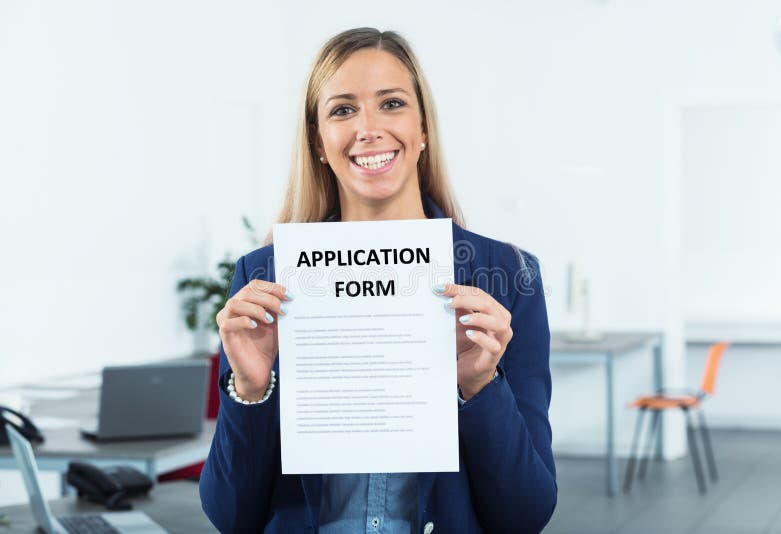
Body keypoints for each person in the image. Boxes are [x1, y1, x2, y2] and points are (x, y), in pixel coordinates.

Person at [199, 27, 557, 534]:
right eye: (343, 109)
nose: (368, 128)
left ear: (423, 127)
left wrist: (480, 386)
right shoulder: (264, 277)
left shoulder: (508, 277)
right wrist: (251, 391)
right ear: (318, 141)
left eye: (391, 103)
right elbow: (231, 518)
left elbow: (526, 516)